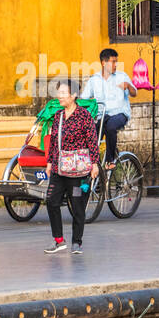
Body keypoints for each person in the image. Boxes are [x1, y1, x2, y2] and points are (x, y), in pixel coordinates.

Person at [43, 79, 99, 255]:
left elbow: (92, 141)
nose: (59, 96)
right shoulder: (58, 116)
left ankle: (77, 241)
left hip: (78, 172)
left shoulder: (84, 116)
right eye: (58, 93)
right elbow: (53, 142)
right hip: (59, 169)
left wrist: (95, 164)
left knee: (77, 205)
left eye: (63, 93)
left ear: (74, 95)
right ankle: (59, 240)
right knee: (51, 200)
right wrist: (49, 163)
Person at [80, 48, 137, 168]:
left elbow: (134, 93)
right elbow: (83, 99)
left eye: (116, 62)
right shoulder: (94, 80)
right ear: (103, 63)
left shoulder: (122, 76)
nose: (115, 65)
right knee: (90, 134)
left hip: (119, 114)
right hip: (101, 116)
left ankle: (110, 161)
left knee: (110, 126)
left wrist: (128, 86)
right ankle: (92, 167)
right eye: (113, 62)